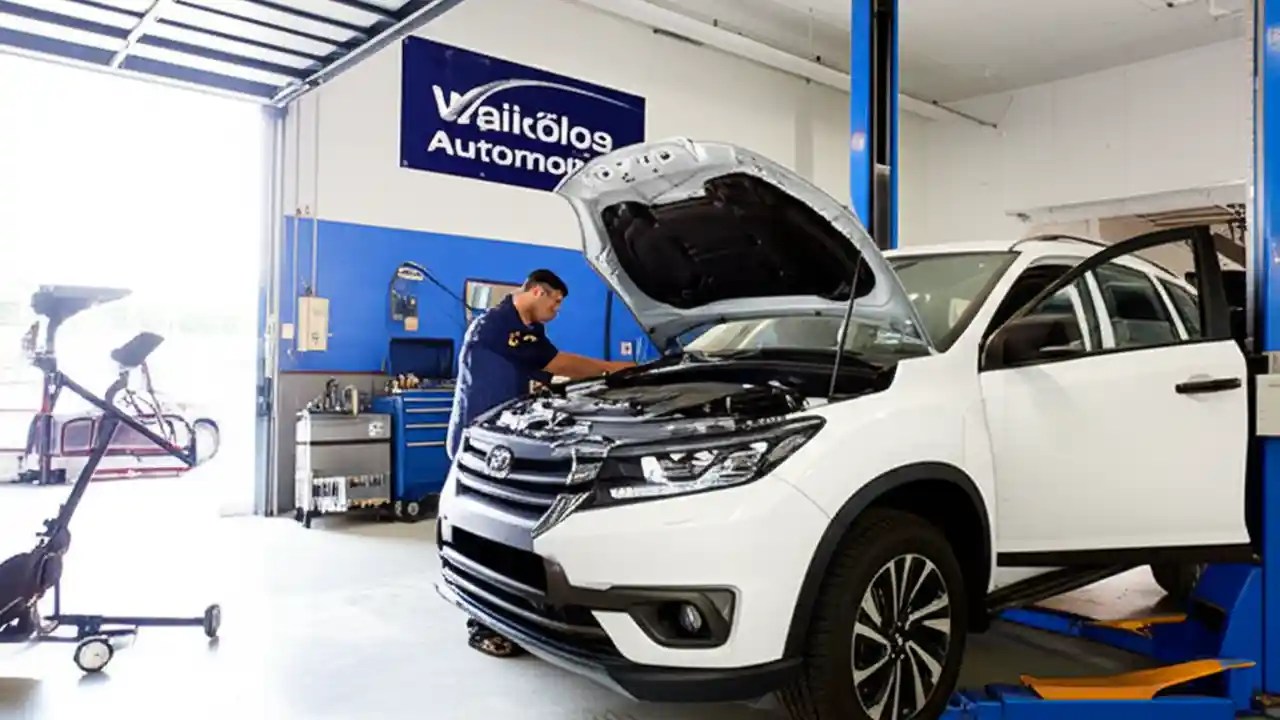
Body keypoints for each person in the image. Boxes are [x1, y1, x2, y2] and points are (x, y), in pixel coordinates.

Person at [446, 268, 634, 658]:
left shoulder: (528, 330)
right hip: (483, 445)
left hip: (505, 445)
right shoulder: (500, 326)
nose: (557, 309)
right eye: (556, 301)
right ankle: (481, 625)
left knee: (512, 536)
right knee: (486, 534)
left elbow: (545, 376)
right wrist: (620, 370)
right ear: (536, 291)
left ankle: (515, 617)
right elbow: (560, 364)